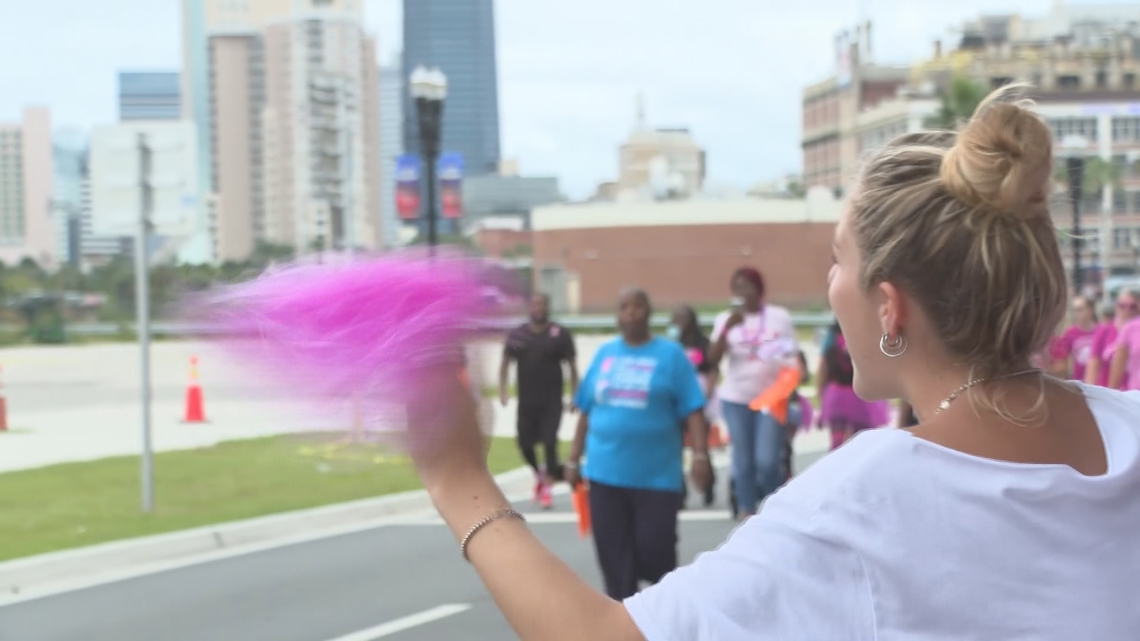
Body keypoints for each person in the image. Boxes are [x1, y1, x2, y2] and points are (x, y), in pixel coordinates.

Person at [405, 85, 1140, 640]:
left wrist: (456, 477)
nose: (829, 284)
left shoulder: (861, 502)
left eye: (836, 261)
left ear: (890, 307)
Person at [561, 288, 710, 600]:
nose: (630, 312)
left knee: (656, 553)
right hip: (604, 474)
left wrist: (700, 456)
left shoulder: (670, 356)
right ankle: (624, 620)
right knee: (613, 559)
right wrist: (574, 459)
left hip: (656, 478)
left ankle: (661, 618)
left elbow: (693, 409)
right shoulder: (605, 354)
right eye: (623, 307)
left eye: (637, 306)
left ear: (649, 312)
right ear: (617, 315)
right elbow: (587, 410)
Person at [706, 267, 798, 520]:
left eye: (748, 286)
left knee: (767, 460)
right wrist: (726, 330)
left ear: (759, 289)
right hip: (736, 398)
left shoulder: (779, 317)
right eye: (737, 288)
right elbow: (712, 359)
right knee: (743, 460)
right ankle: (747, 510)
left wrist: (791, 384)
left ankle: (777, 508)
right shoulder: (725, 319)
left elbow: (792, 354)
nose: (743, 293)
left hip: (771, 398)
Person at [499, 293, 579, 509]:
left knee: (550, 442)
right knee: (524, 444)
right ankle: (540, 474)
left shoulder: (559, 334)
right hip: (527, 401)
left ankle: (547, 489)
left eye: (542, 305)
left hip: (552, 401)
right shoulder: (518, 335)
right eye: (534, 304)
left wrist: (575, 394)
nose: (538, 308)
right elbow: (506, 362)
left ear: (548, 307)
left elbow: (571, 365)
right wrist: (502, 389)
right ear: (529, 308)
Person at [668, 306, 717, 507]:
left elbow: (713, 369)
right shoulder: (671, 345)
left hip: (698, 393)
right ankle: (679, 489)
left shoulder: (703, 344)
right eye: (676, 318)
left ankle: (707, 483)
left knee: (700, 444)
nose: (679, 322)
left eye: (683, 318)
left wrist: (708, 393)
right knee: (676, 445)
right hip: (677, 397)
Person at [816, 321, 890, 448]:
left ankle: (838, 465)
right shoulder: (870, 331)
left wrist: (821, 395)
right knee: (861, 443)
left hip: (837, 394)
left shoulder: (833, 335)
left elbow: (823, 367)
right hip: (862, 397)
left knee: (837, 442)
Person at [1087, 289, 1139, 388]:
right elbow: (1094, 362)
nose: (1127, 310)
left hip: (1131, 391)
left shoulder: (1136, 332)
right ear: (1116, 306)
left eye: (1132, 306)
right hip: (1107, 389)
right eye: (1122, 305)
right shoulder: (1104, 330)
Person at [1050, 295, 1098, 381]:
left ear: (1090, 310)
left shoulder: (1101, 331)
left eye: (1080, 309)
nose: (1077, 313)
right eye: (1074, 310)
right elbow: (1063, 360)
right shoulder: (1070, 333)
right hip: (1079, 381)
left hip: (1099, 380)